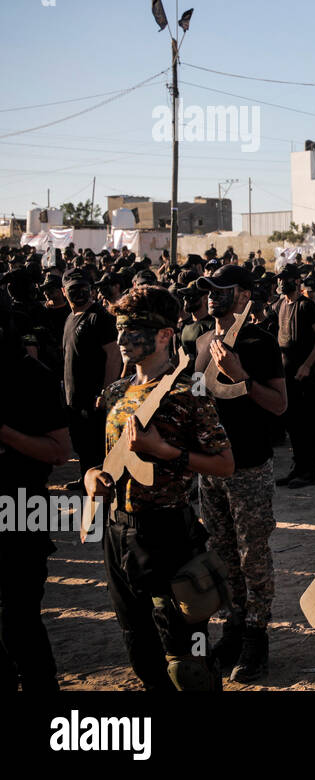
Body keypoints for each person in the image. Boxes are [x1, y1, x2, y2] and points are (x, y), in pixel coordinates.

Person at [85, 286, 235, 690]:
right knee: (141, 651)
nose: (122, 338)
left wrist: (166, 452)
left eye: (134, 329)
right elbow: (106, 461)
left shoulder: (189, 390)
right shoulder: (117, 391)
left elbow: (224, 463)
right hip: (119, 532)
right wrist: (92, 478)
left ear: (166, 335)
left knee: (190, 659)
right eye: (120, 328)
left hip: (169, 534)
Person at [192, 264, 288, 683]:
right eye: (208, 289)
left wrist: (241, 376)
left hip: (248, 466)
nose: (212, 295)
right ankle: (233, 627)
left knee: (253, 556)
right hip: (209, 467)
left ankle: (256, 637)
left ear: (245, 295)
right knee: (222, 553)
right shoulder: (196, 340)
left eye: (221, 288)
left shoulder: (259, 341)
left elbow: (280, 404)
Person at [0, 308, 72, 691]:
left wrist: (5, 434)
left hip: (22, 510)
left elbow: (59, 452)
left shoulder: (32, 377)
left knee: (19, 621)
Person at [61, 268, 122, 483]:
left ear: (91, 290)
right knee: (82, 445)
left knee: (97, 447)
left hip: (95, 399)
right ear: (64, 291)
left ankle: (102, 487)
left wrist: (106, 392)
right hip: (74, 397)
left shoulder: (100, 318)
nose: (79, 293)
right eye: (73, 289)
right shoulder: (70, 318)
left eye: (84, 288)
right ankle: (86, 478)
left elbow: (114, 355)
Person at [274, 264, 315, 487]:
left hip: (305, 376)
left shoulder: (307, 306)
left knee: (308, 426)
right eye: (280, 279)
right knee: (293, 425)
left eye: (285, 279)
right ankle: (297, 468)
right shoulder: (280, 305)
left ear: (296, 281)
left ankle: (310, 472)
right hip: (287, 375)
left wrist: (307, 365)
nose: (281, 283)